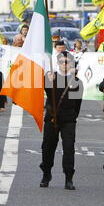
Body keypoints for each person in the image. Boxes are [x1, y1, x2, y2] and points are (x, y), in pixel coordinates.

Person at [40, 51, 83, 190]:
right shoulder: (50, 78)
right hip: (52, 119)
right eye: (61, 62)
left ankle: (68, 178)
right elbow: (45, 92)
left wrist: (71, 117)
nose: (64, 64)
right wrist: (47, 80)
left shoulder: (76, 82)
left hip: (68, 120)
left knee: (69, 148)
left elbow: (77, 105)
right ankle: (46, 174)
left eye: (67, 62)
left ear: (71, 64)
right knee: (48, 147)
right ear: (57, 63)